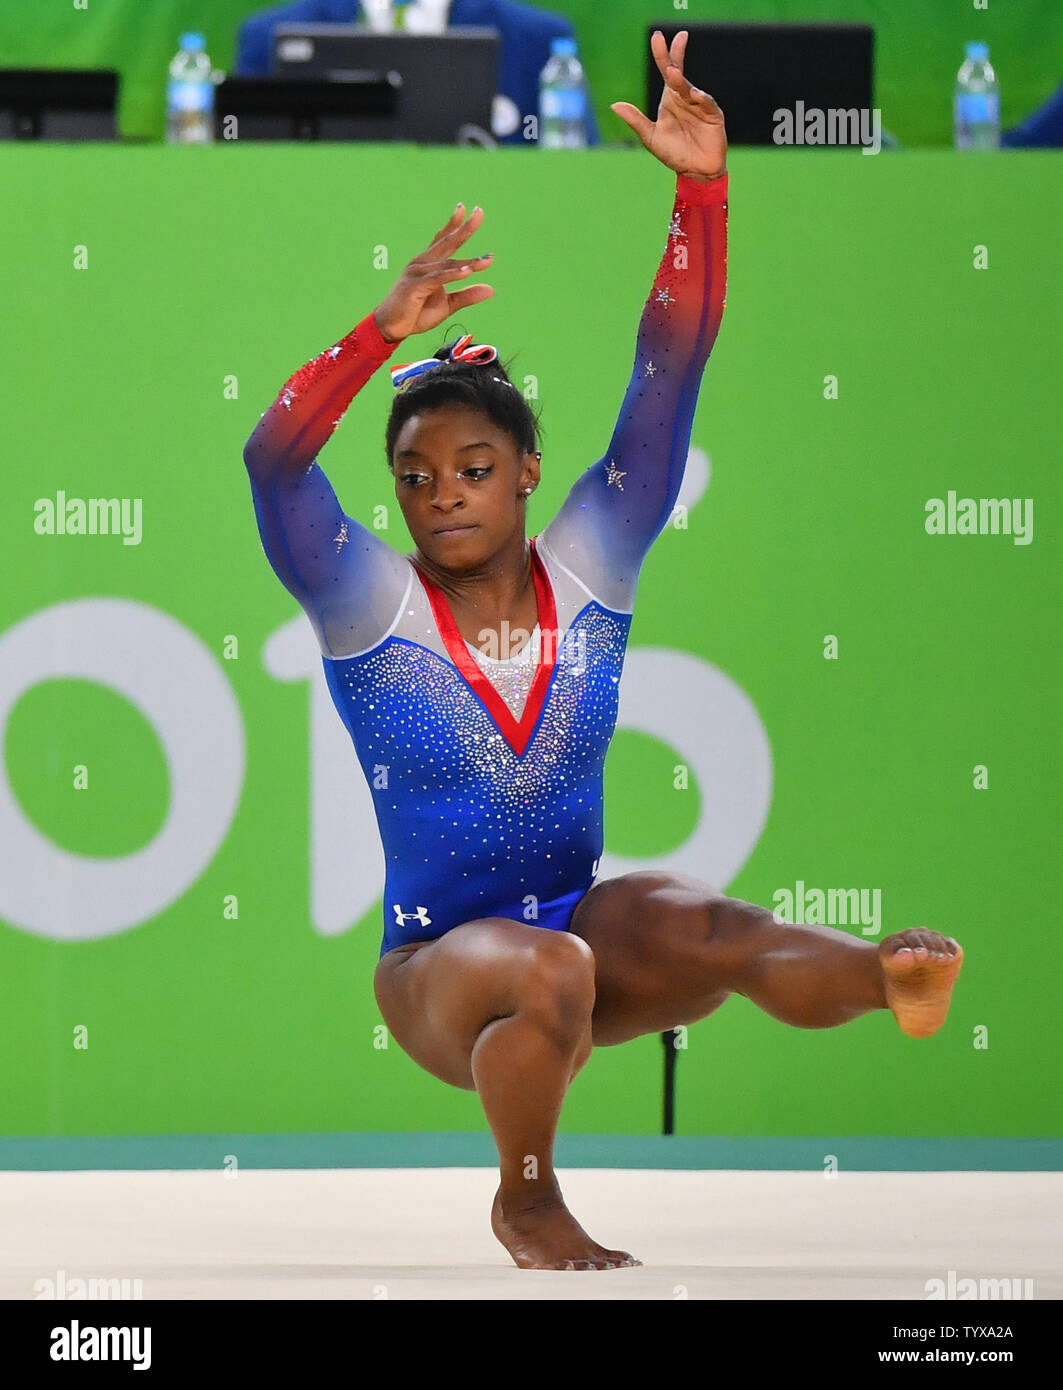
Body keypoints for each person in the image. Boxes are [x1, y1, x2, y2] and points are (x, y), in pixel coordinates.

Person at [242, 29, 964, 1271]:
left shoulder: (591, 559)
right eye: (414, 478)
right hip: (437, 973)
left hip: (580, 934)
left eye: (474, 470)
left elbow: (668, 364)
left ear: (530, 472)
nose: (443, 497)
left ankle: (883, 979)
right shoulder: (369, 601)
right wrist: (375, 333)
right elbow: (271, 461)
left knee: (704, 925)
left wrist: (702, 192)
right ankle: (526, 1199)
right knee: (549, 964)